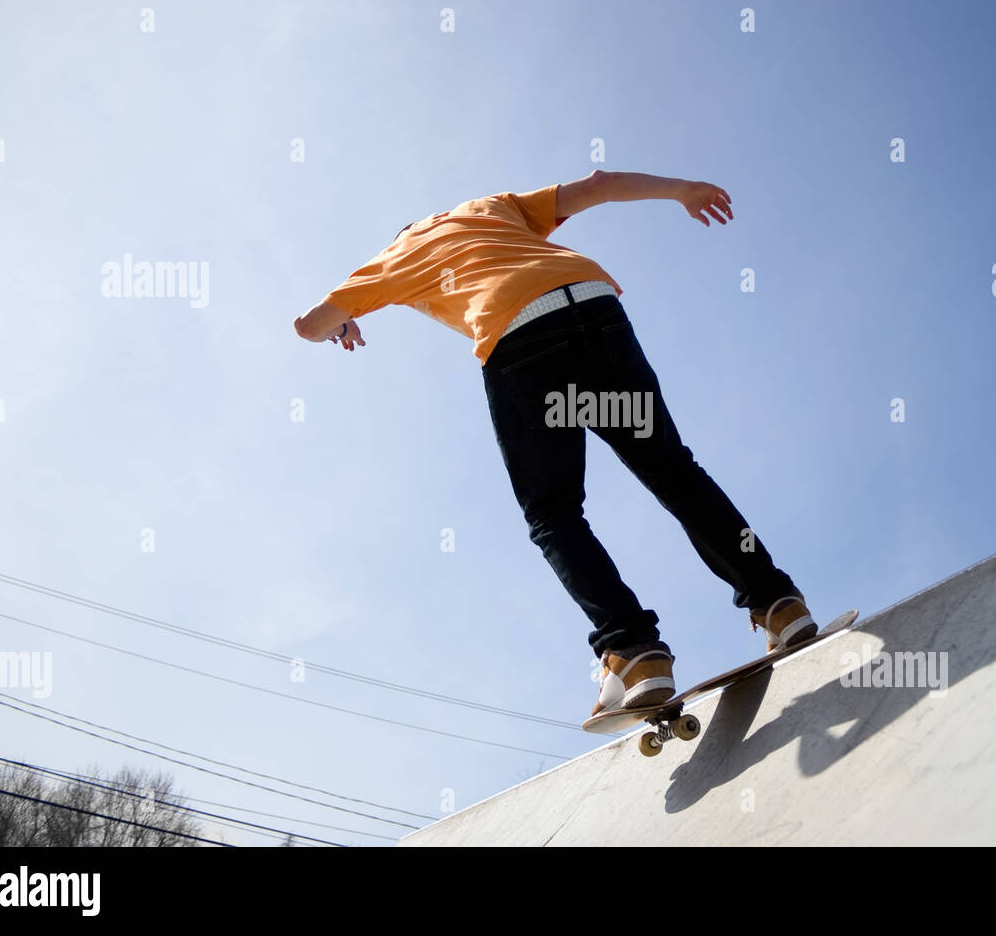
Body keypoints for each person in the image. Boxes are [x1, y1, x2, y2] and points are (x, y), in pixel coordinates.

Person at [294, 170, 819, 720]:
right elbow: (599, 184)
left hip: (524, 345)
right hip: (594, 308)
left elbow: (309, 325)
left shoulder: (394, 260)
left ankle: (635, 651)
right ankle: (778, 603)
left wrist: (343, 320)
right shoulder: (491, 208)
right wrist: (684, 190)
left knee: (553, 512)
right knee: (673, 471)